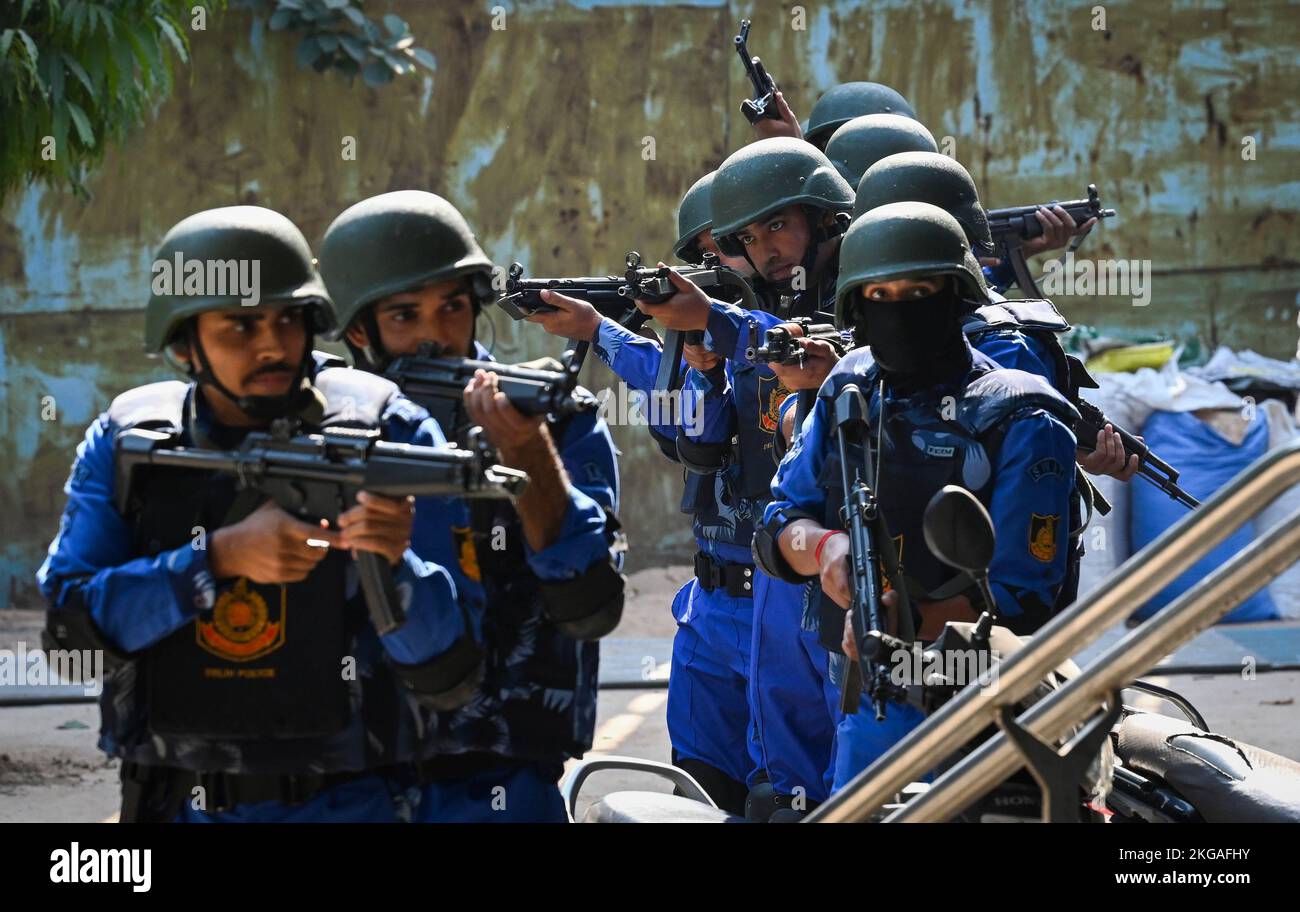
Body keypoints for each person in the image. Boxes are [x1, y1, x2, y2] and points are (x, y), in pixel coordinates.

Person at [38, 206, 469, 822]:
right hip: (179, 801)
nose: (272, 345)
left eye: (288, 320)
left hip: (356, 802)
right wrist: (214, 560)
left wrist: (398, 564)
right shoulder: (130, 441)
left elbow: (454, 671)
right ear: (186, 342)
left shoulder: (386, 431)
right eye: (240, 326)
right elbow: (69, 636)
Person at [317, 190, 624, 822]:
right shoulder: (322, 434)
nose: (436, 336)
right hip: (350, 778)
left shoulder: (552, 417)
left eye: (453, 308)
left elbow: (590, 604)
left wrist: (530, 454)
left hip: (501, 776)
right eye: (405, 317)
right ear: (357, 330)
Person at [758, 202, 1079, 788]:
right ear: (856, 304)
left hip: (983, 696)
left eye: (921, 290)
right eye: (880, 295)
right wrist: (827, 548)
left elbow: (1022, 596)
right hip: (869, 699)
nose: (900, 310)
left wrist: (912, 620)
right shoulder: (849, 387)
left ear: (956, 295)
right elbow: (780, 518)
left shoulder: (1022, 415)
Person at [525, 173, 762, 813]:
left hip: (787, 604)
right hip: (712, 598)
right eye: (709, 254)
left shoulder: (798, 334)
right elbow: (675, 409)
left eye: (734, 246)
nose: (719, 265)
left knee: (796, 791)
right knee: (705, 790)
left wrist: (715, 323)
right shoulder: (714, 335)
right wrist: (601, 330)